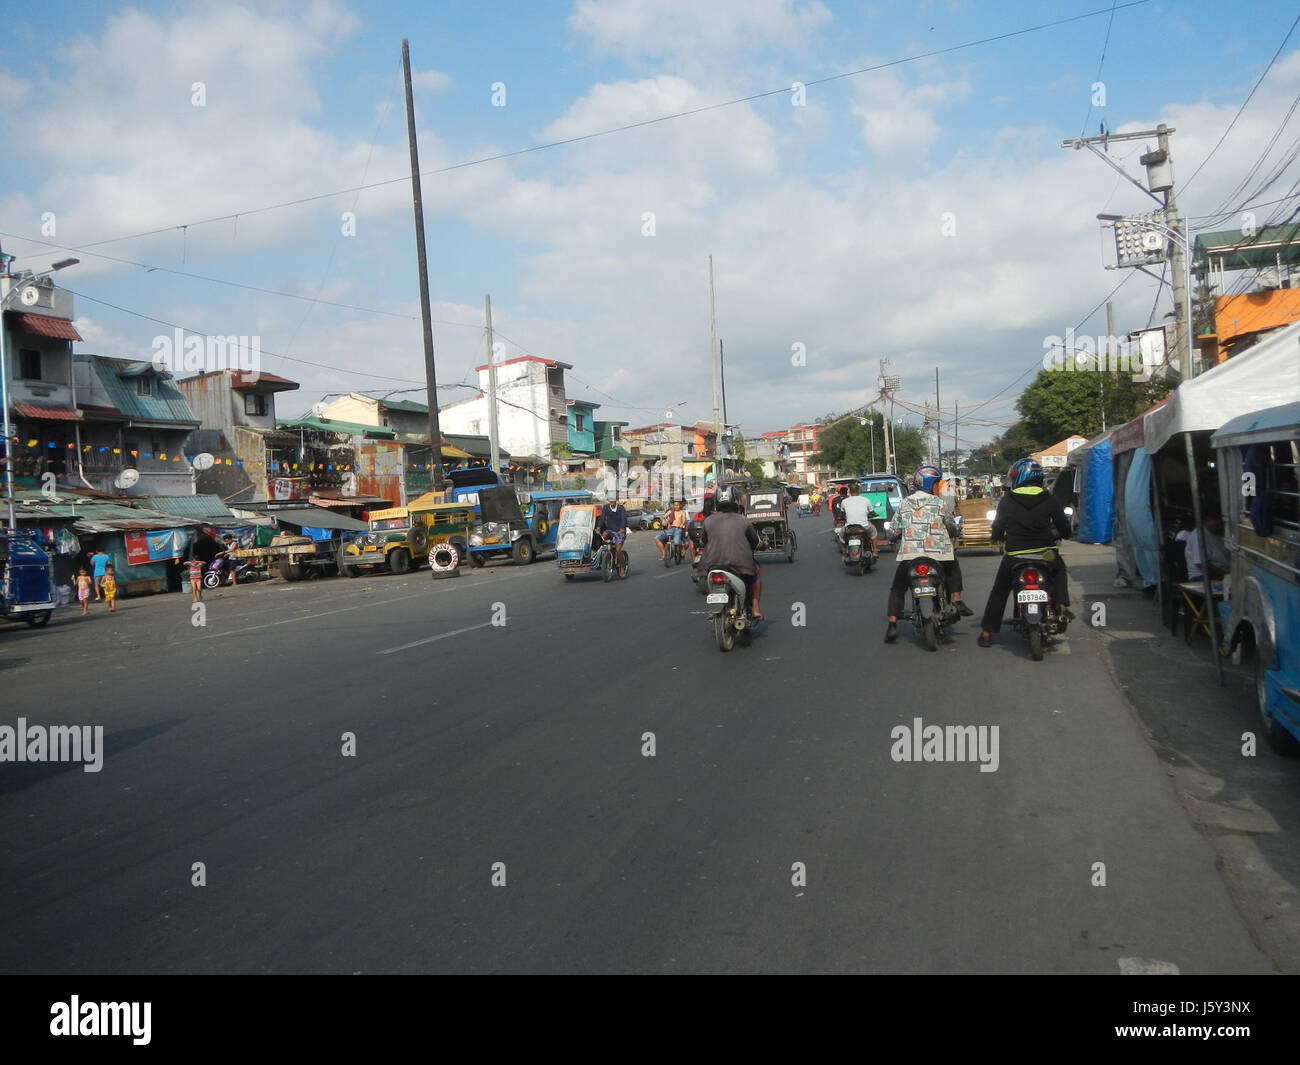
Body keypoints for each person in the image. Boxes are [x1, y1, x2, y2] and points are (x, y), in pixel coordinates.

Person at [977, 458, 1073, 648]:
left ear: (1018, 477)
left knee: (1000, 591)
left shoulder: (1007, 501)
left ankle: (987, 632)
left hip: (1016, 556)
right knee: (1059, 570)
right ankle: (1062, 606)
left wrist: (1000, 537)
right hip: (1046, 555)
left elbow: (997, 531)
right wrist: (1062, 533)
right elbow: (1065, 529)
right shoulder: (1050, 499)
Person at [885, 465, 972, 643]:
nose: (938, 488)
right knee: (953, 565)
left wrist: (894, 537)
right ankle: (957, 600)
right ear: (930, 484)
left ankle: (892, 625)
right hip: (939, 557)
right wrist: (956, 531)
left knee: (898, 588)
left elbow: (892, 531)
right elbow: (952, 527)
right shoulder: (940, 504)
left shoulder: (904, 503)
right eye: (937, 484)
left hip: (910, 557)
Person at [695, 485, 761, 619]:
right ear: (735, 500)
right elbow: (755, 542)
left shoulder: (707, 521)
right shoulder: (744, 520)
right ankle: (755, 609)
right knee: (757, 572)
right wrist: (761, 545)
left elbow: (703, 541)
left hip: (711, 565)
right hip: (739, 564)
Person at [839, 482, 879, 560]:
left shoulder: (844, 501)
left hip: (849, 527)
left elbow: (842, 514)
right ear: (859, 491)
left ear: (849, 492)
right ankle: (874, 551)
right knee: (874, 532)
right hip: (864, 526)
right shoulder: (866, 500)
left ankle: (844, 553)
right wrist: (875, 515)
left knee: (841, 535)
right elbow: (872, 512)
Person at [1183, 516, 1228, 581]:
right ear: (1207, 521)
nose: (1220, 527)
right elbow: (1200, 563)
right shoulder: (1198, 534)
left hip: (1220, 573)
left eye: (1221, 524)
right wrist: (1224, 573)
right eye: (1218, 524)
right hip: (1203, 576)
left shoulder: (1219, 534)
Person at [596, 497, 628, 575]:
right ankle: (606, 555)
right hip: (610, 531)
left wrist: (622, 528)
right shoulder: (606, 508)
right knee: (604, 534)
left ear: (616, 500)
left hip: (620, 532)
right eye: (610, 500)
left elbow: (624, 519)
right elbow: (602, 519)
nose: (611, 501)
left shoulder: (621, 508)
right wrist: (598, 527)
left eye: (613, 500)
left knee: (618, 550)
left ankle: (622, 567)